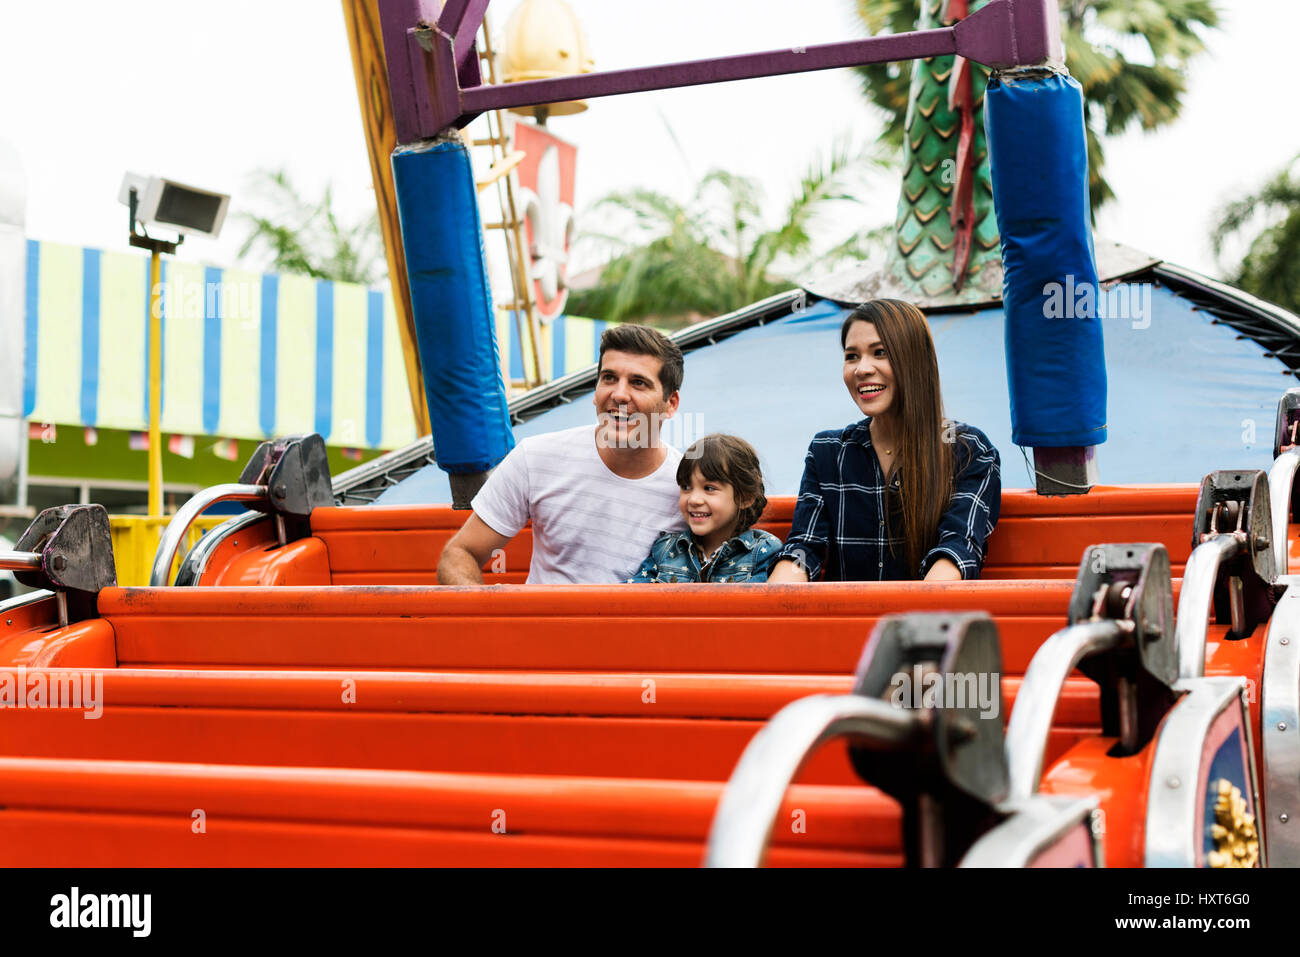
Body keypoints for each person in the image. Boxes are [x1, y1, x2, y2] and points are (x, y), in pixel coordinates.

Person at [767, 299, 1000, 583]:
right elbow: (804, 547)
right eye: (852, 356)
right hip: (845, 622)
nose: (862, 369)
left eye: (880, 353)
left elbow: (956, 549)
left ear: (915, 361)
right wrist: (774, 600)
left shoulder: (968, 450)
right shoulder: (827, 452)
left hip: (929, 621)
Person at [437, 324, 688, 584]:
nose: (619, 394)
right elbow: (460, 553)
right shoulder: (536, 457)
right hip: (540, 624)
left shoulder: (690, 490)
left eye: (638, 383)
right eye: (609, 378)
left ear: (670, 404)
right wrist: (484, 623)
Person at [628, 434, 782, 583]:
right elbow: (629, 599)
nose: (694, 500)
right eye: (686, 487)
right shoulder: (665, 549)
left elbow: (759, 606)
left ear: (746, 497)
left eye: (709, 488)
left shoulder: (762, 552)